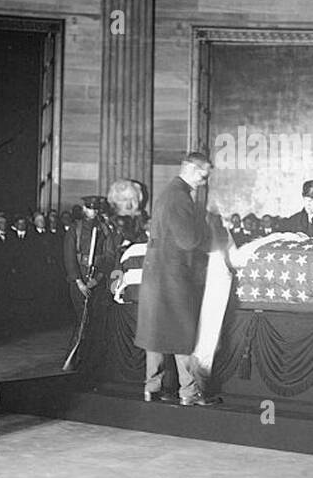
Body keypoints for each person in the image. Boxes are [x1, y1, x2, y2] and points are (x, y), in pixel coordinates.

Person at [135, 152, 221, 406]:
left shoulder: (167, 194)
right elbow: (188, 240)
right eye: (203, 176)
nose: (204, 182)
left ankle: (152, 388)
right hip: (173, 276)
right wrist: (205, 223)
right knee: (182, 333)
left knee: (156, 335)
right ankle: (189, 393)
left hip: (156, 275)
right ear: (192, 170)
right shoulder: (181, 198)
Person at [62, 195, 117, 354]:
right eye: (89, 208)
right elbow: (69, 256)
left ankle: (92, 357)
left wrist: (97, 279)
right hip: (78, 277)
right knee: (82, 318)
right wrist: (79, 281)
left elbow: (109, 256)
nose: (92, 212)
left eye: (95, 209)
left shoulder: (104, 229)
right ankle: (76, 354)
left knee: (96, 319)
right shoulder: (75, 228)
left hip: (96, 280)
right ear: (84, 209)